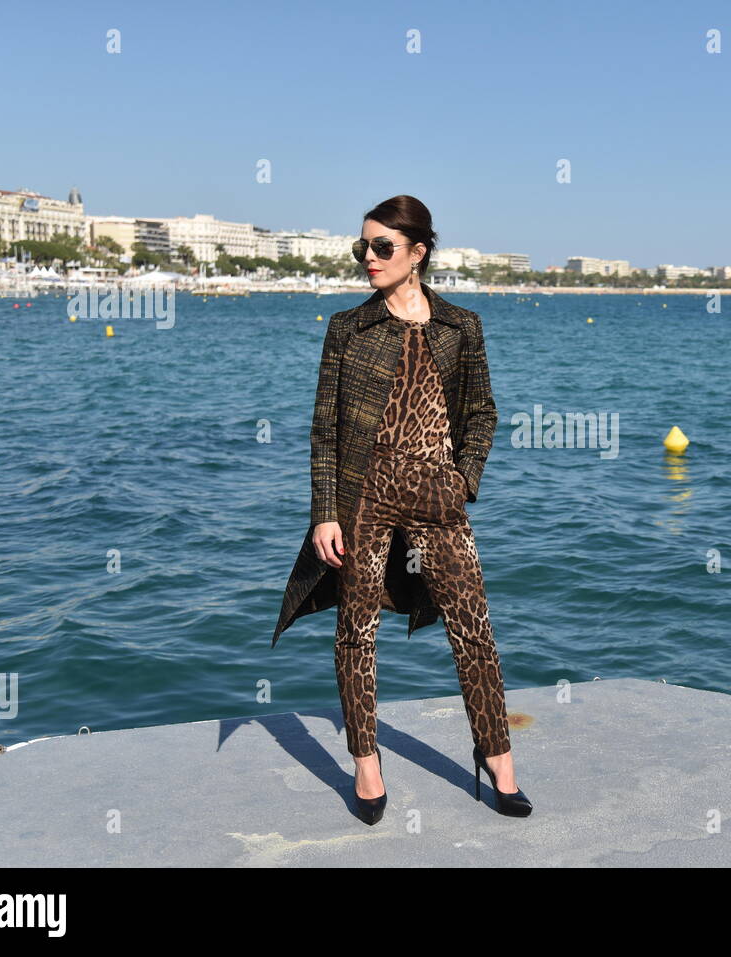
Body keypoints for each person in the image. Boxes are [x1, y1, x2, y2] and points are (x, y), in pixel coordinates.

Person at [294, 195, 531, 823]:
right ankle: (366, 766)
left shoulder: (462, 327)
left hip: (438, 499)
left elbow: (482, 413)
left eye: (382, 248)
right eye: (361, 247)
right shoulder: (347, 329)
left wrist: (463, 479)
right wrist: (325, 512)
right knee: (356, 632)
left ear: (417, 252)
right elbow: (325, 430)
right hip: (364, 498)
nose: (368, 259)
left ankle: (498, 759)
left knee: (473, 626)